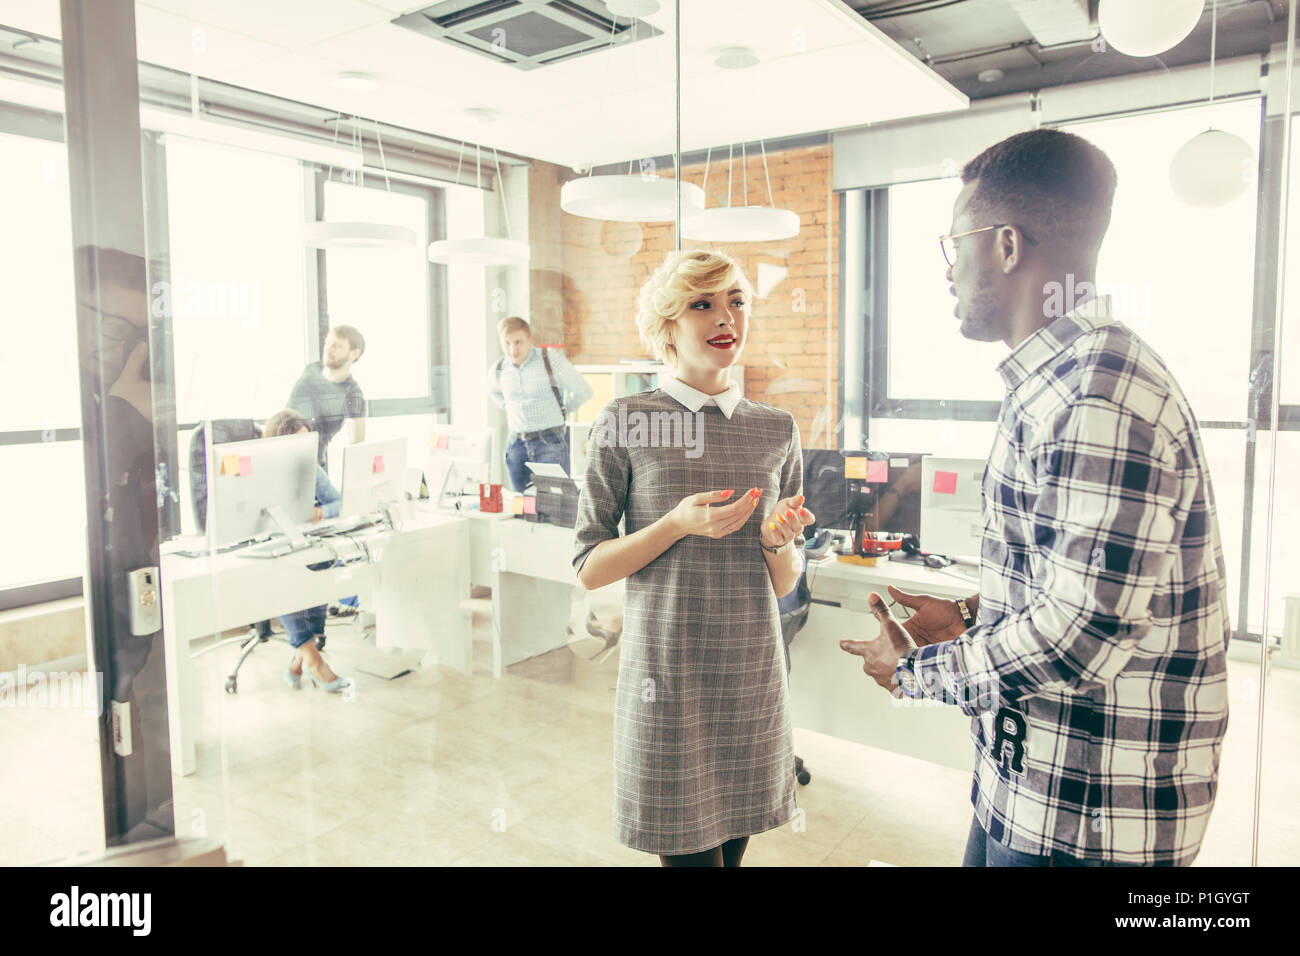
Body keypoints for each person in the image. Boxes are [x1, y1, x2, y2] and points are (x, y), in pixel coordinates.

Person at [838, 129, 1232, 867]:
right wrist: (969, 621)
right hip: (1030, 783)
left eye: (956, 247)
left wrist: (916, 671)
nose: (948, 274)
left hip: (1091, 820)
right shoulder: (1056, 381)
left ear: (1008, 245)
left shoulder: (1099, 391)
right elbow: (1074, 587)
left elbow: (1083, 634)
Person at [572, 250, 814, 867]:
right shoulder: (626, 421)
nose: (725, 315)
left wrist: (777, 542)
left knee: (733, 855)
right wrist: (676, 524)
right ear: (668, 324)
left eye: (736, 300)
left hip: (753, 675)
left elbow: (783, 583)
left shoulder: (776, 429)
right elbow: (589, 566)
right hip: (668, 677)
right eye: (702, 303)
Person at [262, 409, 354, 694]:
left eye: (307, 442)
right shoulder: (264, 472)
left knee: (322, 562)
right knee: (289, 578)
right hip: (273, 545)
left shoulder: (311, 470)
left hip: (306, 539)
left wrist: (321, 511)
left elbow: (340, 503)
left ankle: (300, 656)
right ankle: (314, 661)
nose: (304, 449)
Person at [488, 315, 592, 492]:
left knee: (556, 504)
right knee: (520, 506)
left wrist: (563, 410)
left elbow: (584, 390)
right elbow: (494, 392)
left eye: (518, 342)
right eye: (507, 343)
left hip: (550, 443)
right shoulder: (499, 369)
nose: (513, 350)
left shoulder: (549, 359)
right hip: (516, 445)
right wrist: (508, 407)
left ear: (530, 340)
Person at [287, 325, 367, 469]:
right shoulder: (311, 369)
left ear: (354, 354)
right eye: (328, 343)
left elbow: (358, 445)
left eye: (337, 346)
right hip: (279, 449)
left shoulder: (352, 393)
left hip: (310, 464)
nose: (328, 349)